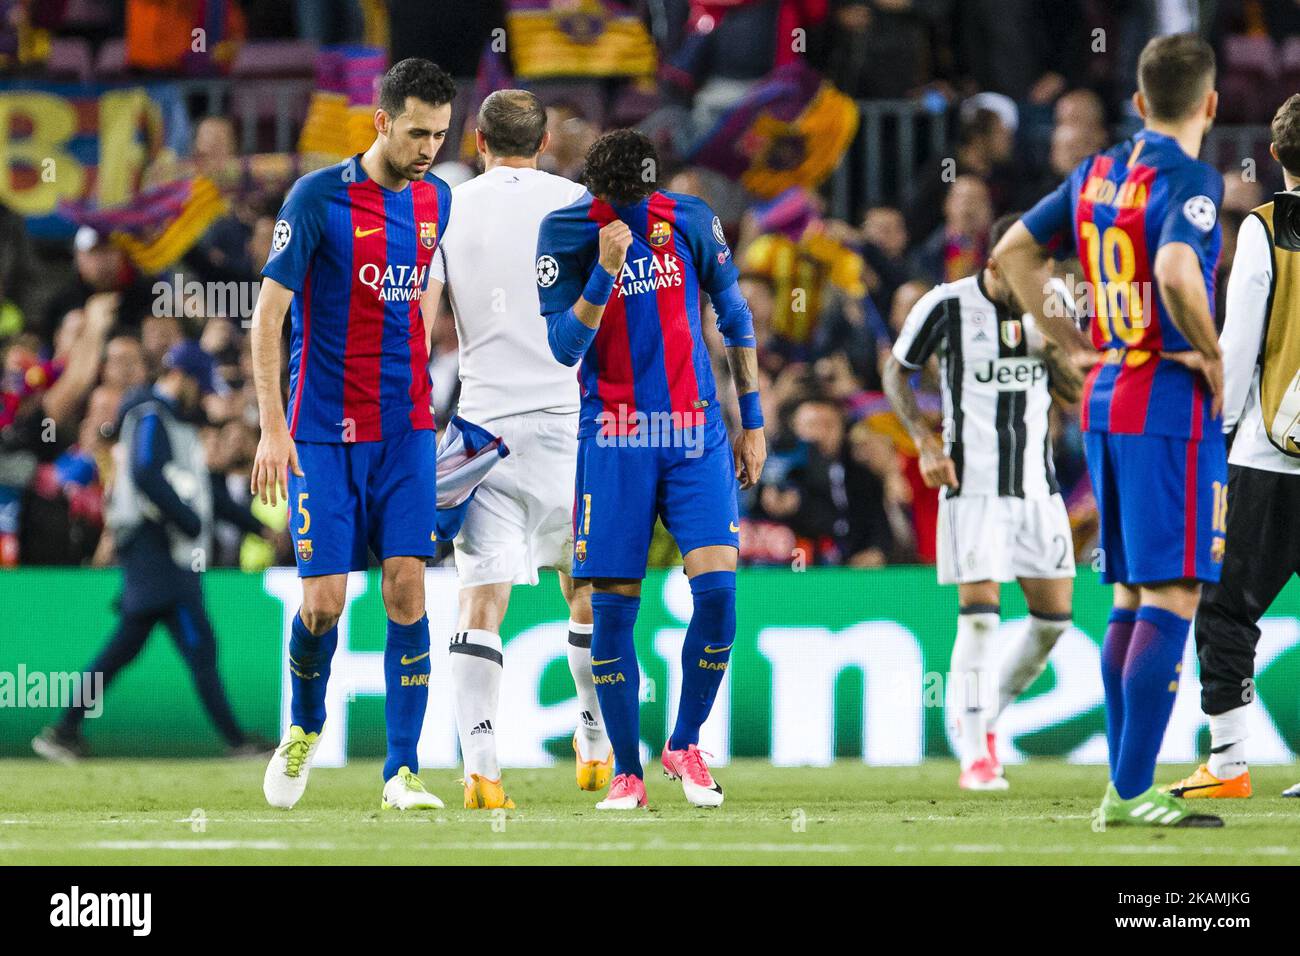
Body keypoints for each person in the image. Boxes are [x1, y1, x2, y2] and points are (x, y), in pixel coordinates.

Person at [995, 34, 1228, 828]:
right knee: (1173, 590)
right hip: (1165, 397)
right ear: (1210, 104)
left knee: (1134, 592)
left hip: (1106, 393)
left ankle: (1124, 788)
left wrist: (1068, 339)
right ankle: (1129, 792)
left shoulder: (1098, 171)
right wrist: (1210, 352)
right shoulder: (1190, 178)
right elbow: (1172, 270)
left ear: (1137, 103)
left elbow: (1013, 252)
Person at [536, 129, 766, 810]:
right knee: (611, 612)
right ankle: (627, 771)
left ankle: (685, 742)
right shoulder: (565, 232)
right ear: (599, 193)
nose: (640, 210)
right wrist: (605, 271)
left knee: (719, 594)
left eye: (646, 196)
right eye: (626, 201)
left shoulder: (690, 219)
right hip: (614, 437)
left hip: (696, 434)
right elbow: (561, 346)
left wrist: (752, 422)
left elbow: (736, 317)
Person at [249, 58, 456, 812]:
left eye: (439, 132)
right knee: (323, 605)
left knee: (408, 591)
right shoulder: (316, 200)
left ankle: (401, 770)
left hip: (404, 432)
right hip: (323, 434)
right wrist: (273, 429)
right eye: (416, 131)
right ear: (380, 122)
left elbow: (420, 300)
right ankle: (304, 727)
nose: (429, 147)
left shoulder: (439, 200)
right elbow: (268, 316)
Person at [423, 89, 612, 810]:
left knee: (482, 601)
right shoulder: (580, 201)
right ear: (545, 144)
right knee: (588, 585)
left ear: (477, 139)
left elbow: (423, 321)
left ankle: (481, 768)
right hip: (573, 418)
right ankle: (593, 738)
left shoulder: (445, 204)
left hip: (485, 426)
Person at [884, 212, 1081, 791]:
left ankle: (984, 713)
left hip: (1037, 488)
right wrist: (924, 439)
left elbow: (1074, 389)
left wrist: (1049, 350)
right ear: (999, 262)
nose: (1041, 281)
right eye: (1032, 268)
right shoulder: (945, 305)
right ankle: (974, 752)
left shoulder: (1052, 309)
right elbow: (897, 372)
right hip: (971, 487)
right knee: (981, 620)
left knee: (1052, 624)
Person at [32, 341, 272, 761]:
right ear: (180, 378)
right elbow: (147, 472)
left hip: (159, 552)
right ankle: (236, 742)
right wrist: (186, 520)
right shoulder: (151, 416)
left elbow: (203, 494)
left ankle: (64, 729)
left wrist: (254, 527)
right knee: (197, 647)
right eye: (198, 385)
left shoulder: (166, 421)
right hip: (161, 553)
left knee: (130, 647)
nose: (201, 395)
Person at [1164, 94, 1300, 801]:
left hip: (1269, 452)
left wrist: (1217, 428)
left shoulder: (1266, 228)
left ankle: (1229, 762)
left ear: (1275, 156)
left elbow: (1240, 339)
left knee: (1223, 606)